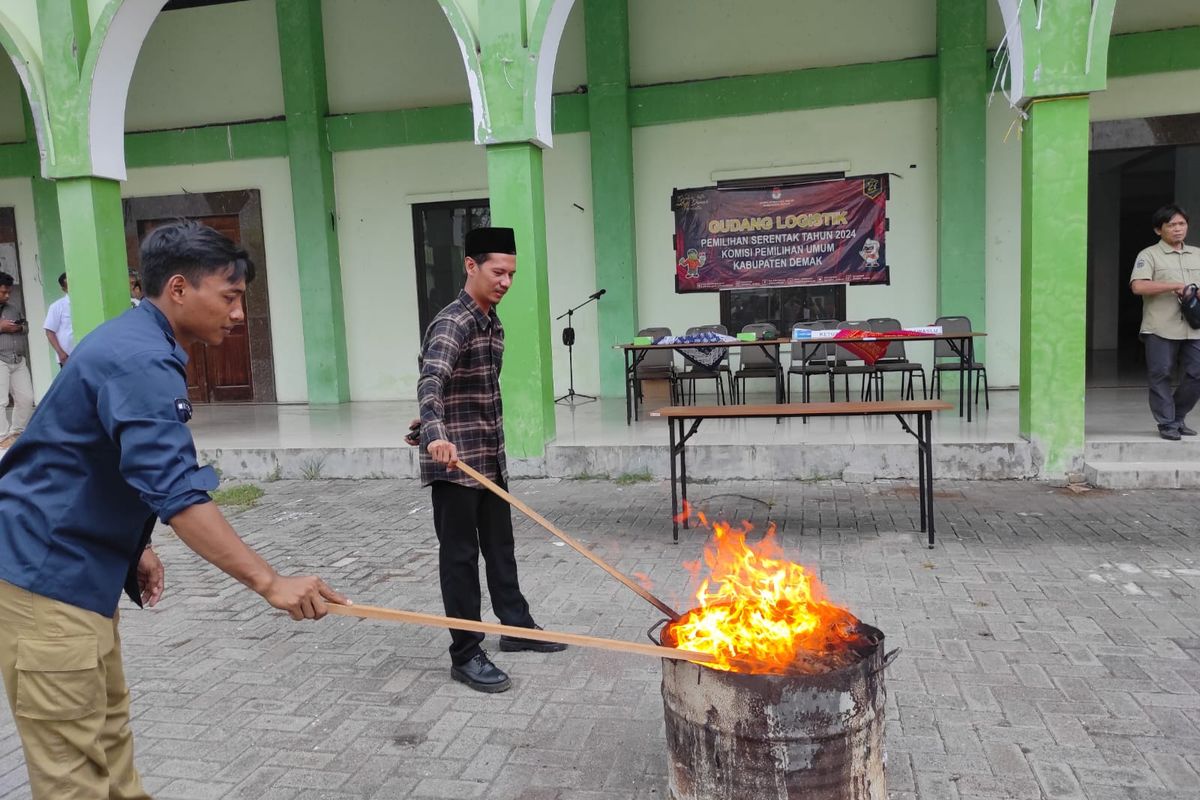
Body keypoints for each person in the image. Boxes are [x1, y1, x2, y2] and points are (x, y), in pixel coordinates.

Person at [0, 221, 348, 798]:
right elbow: (179, 494)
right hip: (46, 581)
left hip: (81, 574)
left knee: (109, 742)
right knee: (75, 780)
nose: (238, 314)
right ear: (180, 289)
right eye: (230, 297)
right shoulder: (138, 358)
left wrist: (134, 545)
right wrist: (270, 582)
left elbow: (95, 457)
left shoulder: (140, 342)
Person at [417, 226, 565, 694]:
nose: (505, 281)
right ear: (470, 266)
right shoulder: (452, 323)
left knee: (500, 549)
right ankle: (465, 653)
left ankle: (515, 628)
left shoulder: (491, 322)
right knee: (460, 558)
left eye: (511, 274)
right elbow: (430, 383)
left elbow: (464, 389)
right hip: (455, 465)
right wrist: (434, 433)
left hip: (489, 459)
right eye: (497, 272)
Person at [1130, 203, 1200, 440]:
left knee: (1196, 373)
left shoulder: (1197, 254)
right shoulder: (1148, 255)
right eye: (1171, 225)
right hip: (1160, 326)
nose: (1178, 229)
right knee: (1160, 374)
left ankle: (1177, 417)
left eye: (1182, 224)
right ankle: (1167, 423)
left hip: (1194, 327)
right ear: (1159, 230)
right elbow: (1138, 285)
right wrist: (1176, 286)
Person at [0, 271, 33, 447]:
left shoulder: (13, 308)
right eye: (3, 292)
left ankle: (17, 432)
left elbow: (26, 326)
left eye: (8, 292)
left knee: (26, 398)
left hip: (18, 359)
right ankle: (2, 437)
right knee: (1, 401)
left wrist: (19, 329)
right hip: (0, 359)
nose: (7, 295)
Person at [43, 271, 72, 366]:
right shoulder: (57, 306)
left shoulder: (86, 303)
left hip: (86, 353)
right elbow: (49, 332)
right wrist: (61, 353)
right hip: (67, 356)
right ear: (64, 289)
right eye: (69, 286)